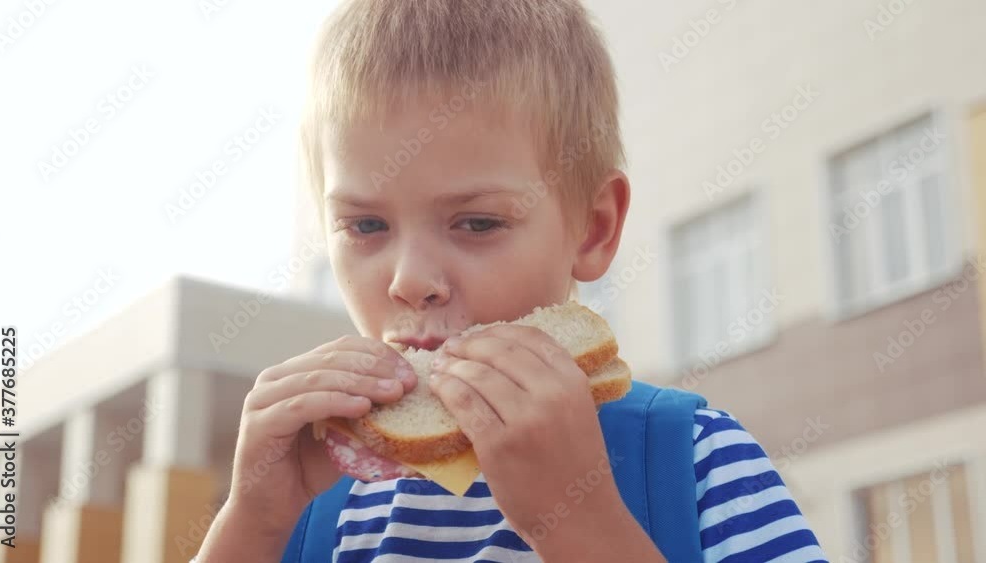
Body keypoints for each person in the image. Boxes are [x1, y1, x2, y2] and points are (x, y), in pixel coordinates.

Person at [196, 0, 829, 561]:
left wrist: (580, 523)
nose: (410, 281)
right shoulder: (313, 507)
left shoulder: (692, 463)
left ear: (593, 229)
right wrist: (251, 522)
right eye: (364, 226)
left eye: (475, 222)